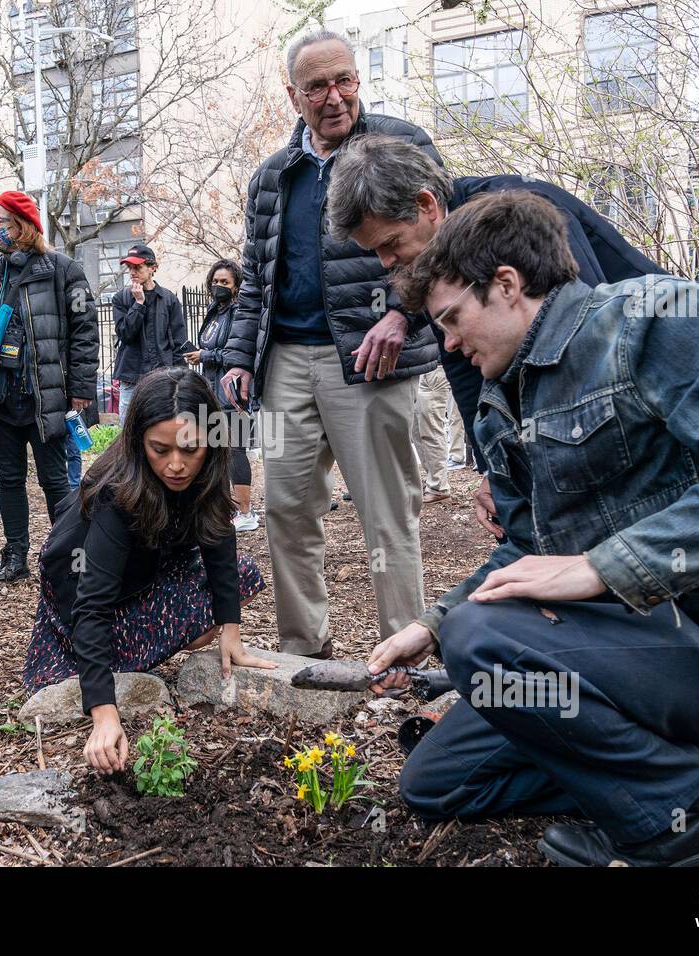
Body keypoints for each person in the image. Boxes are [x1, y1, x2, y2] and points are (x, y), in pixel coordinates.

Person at [371, 190, 699, 867]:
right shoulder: (502, 404)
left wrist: (602, 567)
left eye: (451, 319)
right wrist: (433, 623)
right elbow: (527, 548)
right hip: (613, 657)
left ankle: (685, 825)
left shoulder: (650, 318)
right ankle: (686, 773)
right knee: (440, 780)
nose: (446, 344)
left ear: (506, 285)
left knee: (484, 640)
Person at [220, 30, 441, 658]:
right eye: (317, 86)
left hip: (375, 360)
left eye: (344, 79)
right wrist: (239, 356)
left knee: (386, 513)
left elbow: (439, 240)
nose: (334, 96)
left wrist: (401, 315)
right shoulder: (272, 176)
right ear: (294, 95)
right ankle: (303, 653)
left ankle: (404, 653)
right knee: (286, 508)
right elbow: (256, 274)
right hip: (287, 360)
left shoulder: (403, 145)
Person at [327, 132, 664, 538]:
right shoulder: (435, 263)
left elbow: (584, 340)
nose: (386, 262)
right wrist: (494, 470)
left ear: (426, 205)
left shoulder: (518, 216)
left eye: (390, 243)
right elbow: (466, 372)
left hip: (652, 387)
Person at [25, 367, 274, 771]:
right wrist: (104, 714)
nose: (176, 465)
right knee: (115, 624)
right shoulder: (118, 494)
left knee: (242, 571)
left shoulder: (206, 471)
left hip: (146, 569)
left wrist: (232, 632)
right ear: (139, 442)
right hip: (78, 596)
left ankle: (151, 637)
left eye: (189, 450)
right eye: (160, 450)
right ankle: (119, 652)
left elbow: (218, 541)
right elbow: (92, 604)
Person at [0, 191, 99, 585]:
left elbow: (85, 331)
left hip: (45, 396)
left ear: (23, 225)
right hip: (0, 398)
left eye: (1, 221)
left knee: (55, 481)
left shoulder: (62, 269)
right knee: (9, 479)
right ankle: (15, 554)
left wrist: (81, 387)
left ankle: (66, 558)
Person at [185, 259, 257, 532]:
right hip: (212, 392)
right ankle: (226, 508)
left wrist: (205, 355)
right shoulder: (215, 312)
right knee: (219, 452)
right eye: (215, 282)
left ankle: (247, 512)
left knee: (236, 450)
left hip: (234, 393)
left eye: (225, 283)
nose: (219, 287)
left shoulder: (239, 312)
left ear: (237, 286)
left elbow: (235, 352)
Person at [111, 243, 191, 425]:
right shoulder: (121, 298)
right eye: (130, 267)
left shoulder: (169, 299)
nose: (132, 272)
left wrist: (182, 377)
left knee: (161, 426)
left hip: (163, 375)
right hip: (131, 376)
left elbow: (179, 341)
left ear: (152, 267)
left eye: (137, 267)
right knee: (129, 430)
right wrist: (138, 304)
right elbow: (125, 334)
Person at [412, 368, 467, 506]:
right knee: (417, 430)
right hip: (420, 369)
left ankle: (439, 488)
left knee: (431, 429)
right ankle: (433, 482)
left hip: (433, 369)